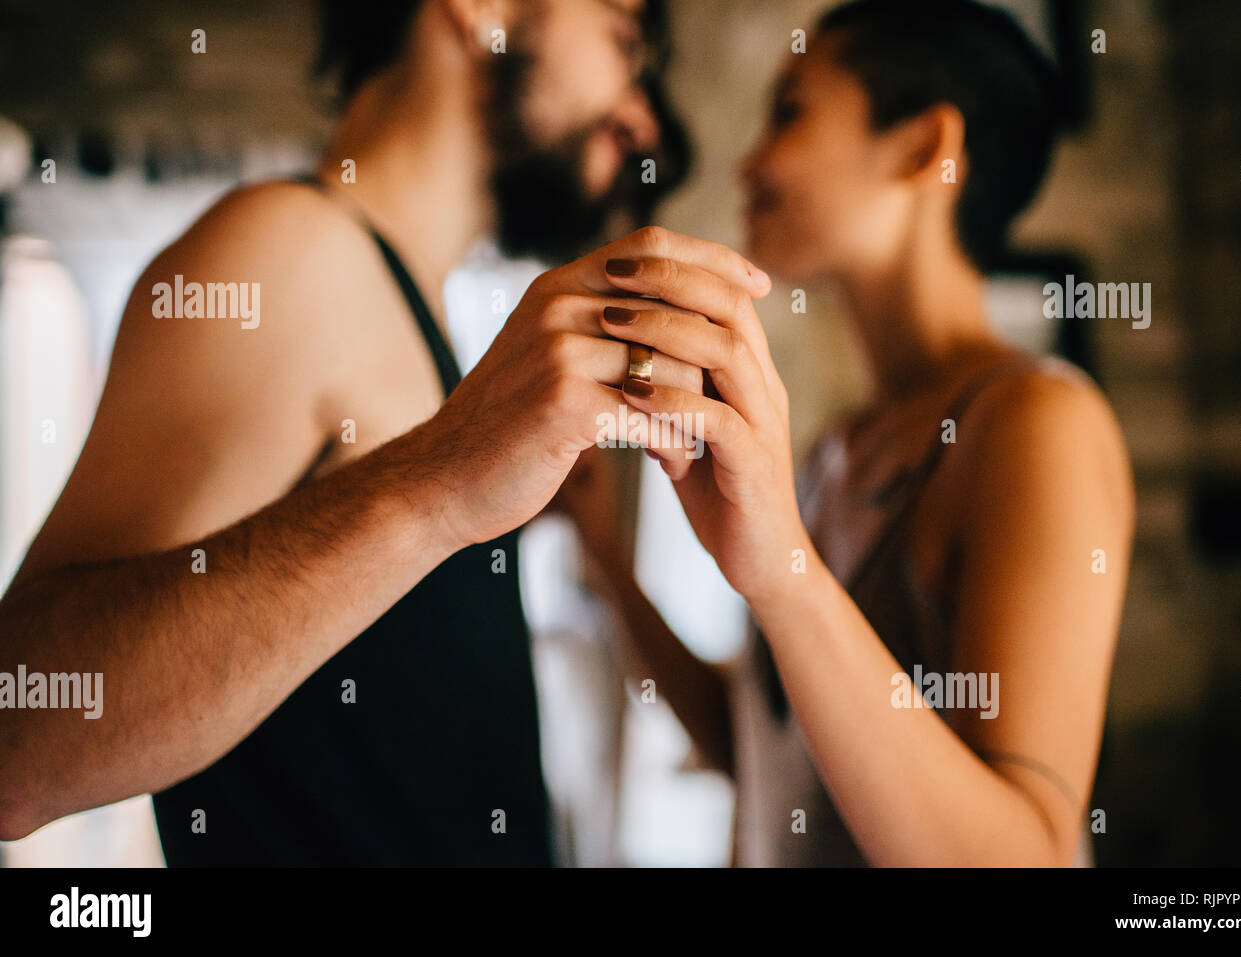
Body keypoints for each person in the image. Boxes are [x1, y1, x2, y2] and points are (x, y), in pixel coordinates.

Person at [0, 0, 772, 865]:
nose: (641, 118)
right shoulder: (288, 252)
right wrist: (440, 481)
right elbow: (16, 739)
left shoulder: (409, 298)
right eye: (624, 42)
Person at [560, 0, 1135, 866]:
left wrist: (786, 576)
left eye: (789, 111)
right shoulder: (828, 450)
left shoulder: (1033, 424)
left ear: (922, 147)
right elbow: (759, 749)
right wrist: (604, 555)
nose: (748, 161)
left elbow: (1033, 856)